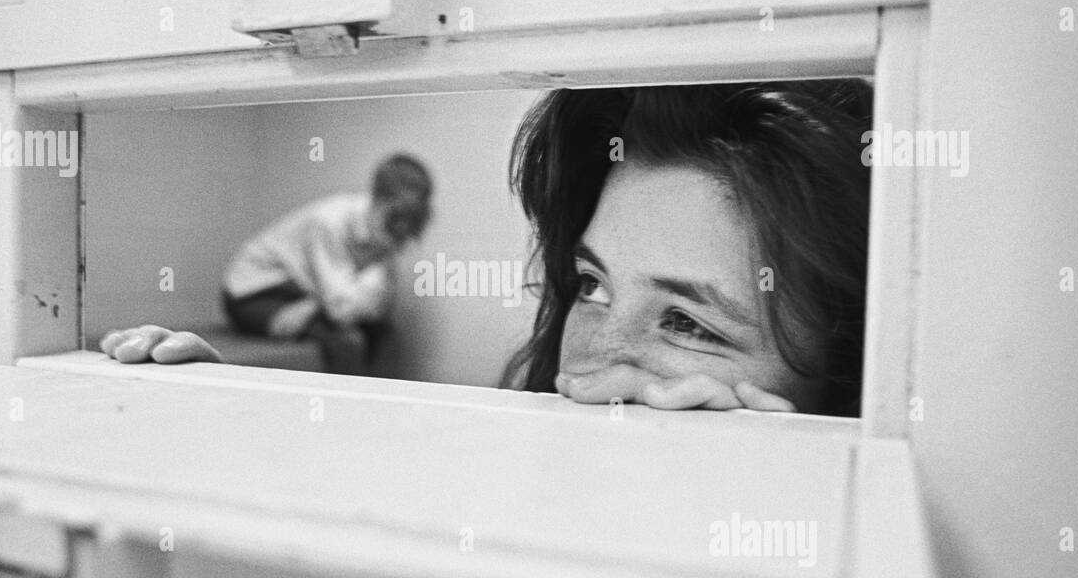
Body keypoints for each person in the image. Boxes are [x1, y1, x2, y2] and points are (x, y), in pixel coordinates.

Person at [100, 81, 870, 416]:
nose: (592, 367)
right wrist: (226, 418)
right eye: (590, 286)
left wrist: (778, 482)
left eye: (689, 324)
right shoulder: (337, 221)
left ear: (841, 388)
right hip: (258, 294)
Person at [218, 153, 433, 373]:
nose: (402, 233)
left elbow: (376, 309)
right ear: (378, 199)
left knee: (381, 332)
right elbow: (342, 309)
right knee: (347, 340)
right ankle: (348, 405)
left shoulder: (383, 233)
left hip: (308, 292)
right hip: (251, 293)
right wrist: (352, 293)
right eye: (397, 218)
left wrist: (341, 300)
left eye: (411, 221)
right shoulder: (328, 222)